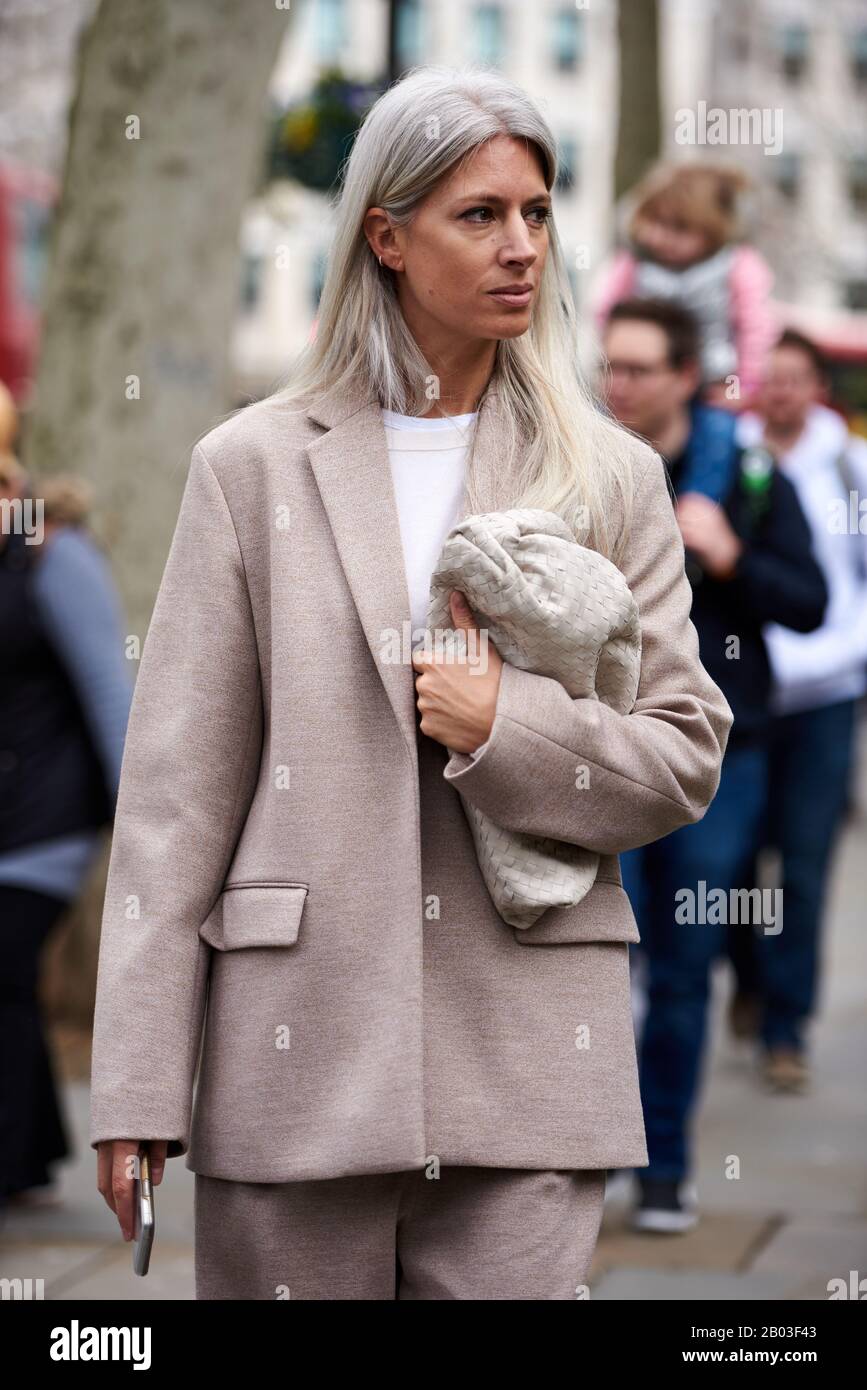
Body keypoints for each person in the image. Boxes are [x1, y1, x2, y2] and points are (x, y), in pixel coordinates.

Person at [90, 66, 732, 1300]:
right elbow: (175, 802)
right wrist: (135, 1084)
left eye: (538, 213)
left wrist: (513, 729)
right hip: (299, 1059)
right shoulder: (249, 466)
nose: (522, 247)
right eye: (479, 214)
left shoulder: (609, 477)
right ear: (385, 234)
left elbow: (685, 748)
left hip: (531, 1056)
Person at [601, 298, 827, 1233]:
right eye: (608, 366)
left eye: (639, 368)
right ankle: (595, 1145)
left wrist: (729, 555)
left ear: (684, 376)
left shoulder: (742, 471)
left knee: (685, 963)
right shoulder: (583, 467)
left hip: (720, 756)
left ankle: (663, 1168)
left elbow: (808, 600)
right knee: (605, 958)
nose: (618, 385)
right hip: (603, 749)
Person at [725, 330, 867, 1090]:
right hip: (743, 697)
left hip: (826, 695)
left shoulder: (847, 464)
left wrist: (851, 651)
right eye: (766, 379)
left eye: (793, 379)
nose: (777, 392)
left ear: (814, 387)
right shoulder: (732, 457)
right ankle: (746, 976)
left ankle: (787, 1029)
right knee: (738, 859)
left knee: (804, 867)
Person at [0, 453, 132, 1208]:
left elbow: (110, 691)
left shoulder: (58, 556)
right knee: (10, 986)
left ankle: (16, 1159)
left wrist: (145, 827)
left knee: (4, 966)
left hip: (47, 821)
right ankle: (28, 1152)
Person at [591, 162, 776, 410]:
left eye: (678, 229)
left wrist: (744, 387)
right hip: (646, 387)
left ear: (712, 232)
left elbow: (756, 329)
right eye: (654, 222)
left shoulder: (737, 265)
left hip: (713, 388)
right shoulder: (634, 264)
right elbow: (605, 314)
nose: (659, 237)